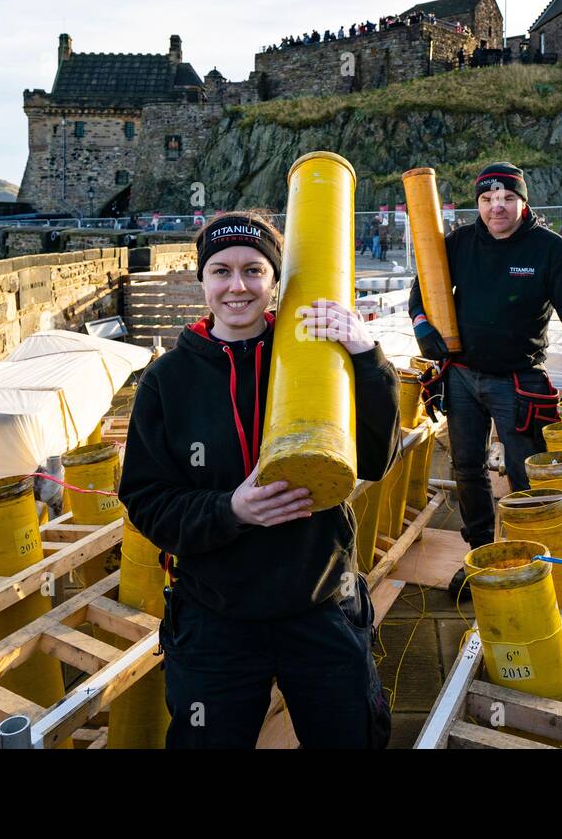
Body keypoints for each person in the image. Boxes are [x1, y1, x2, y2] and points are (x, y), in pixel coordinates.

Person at [119, 212, 400, 749]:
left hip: (320, 599)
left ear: (275, 281)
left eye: (254, 270)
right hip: (216, 613)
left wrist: (367, 358)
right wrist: (231, 510)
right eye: (221, 271)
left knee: (352, 736)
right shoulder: (167, 382)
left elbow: (374, 459)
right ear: (201, 281)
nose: (238, 286)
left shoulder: (314, 357)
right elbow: (147, 500)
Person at [407, 163, 562, 599]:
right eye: (486, 199)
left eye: (506, 199)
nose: (496, 207)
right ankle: (481, 554)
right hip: (461, 377)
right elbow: (420, 288)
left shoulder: (548, 250)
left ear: (523, 201)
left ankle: (528, 560)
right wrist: (423, 324)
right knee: (466, 469)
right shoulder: (460, 243)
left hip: (516, 382)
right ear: (477, 203)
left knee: (525, 474)